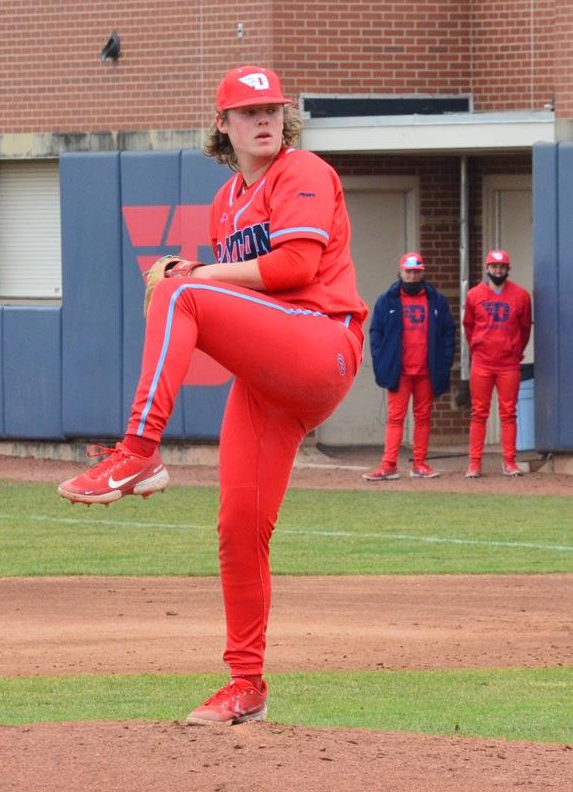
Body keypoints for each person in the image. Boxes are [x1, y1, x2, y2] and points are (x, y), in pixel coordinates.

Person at [58, 65, 367, 724]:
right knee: (237, 529)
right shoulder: (226, 202)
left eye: (273, 110)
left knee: (179, 289)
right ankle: (246, 684)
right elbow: (240, 290)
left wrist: (194, 272)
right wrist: (198, 276)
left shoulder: (303, 172)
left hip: (322, 346)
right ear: (222, 126)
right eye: (248, 112)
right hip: (270, 377)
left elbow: (293, 269)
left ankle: (139, 448)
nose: (264, 120)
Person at [363, 252, 455, 480]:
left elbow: (448, 333)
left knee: (423, 417)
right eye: (408, 271)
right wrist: (381, 359)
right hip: (399, 370)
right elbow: (375, 332)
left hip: (426, 370)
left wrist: (444, 362)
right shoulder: (387, 300)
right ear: (401, 272)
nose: (412, 276)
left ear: (422, 272)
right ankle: (389, 465)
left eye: (416, 271)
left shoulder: (436, 300)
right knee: (396, 418)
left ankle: (420, 464)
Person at [463, 248, 532, 478]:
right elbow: (469, 326)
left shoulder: (521, 296)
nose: (498, 270)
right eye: (494, 266)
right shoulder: (474, 294)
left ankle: (509, 462)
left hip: (508, 363)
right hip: (482, 362)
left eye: (502, 267)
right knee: (479, 413)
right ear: (487, 268)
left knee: (508, 413)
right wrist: (478, 348)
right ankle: (474, 463)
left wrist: (514, 351)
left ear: (508, 269)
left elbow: (524, 330)